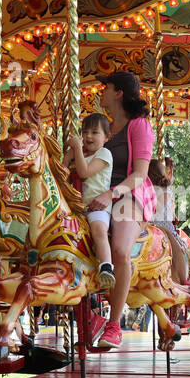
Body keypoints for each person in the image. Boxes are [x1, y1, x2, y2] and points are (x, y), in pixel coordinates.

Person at [86, 71, 156, 350]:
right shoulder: (105, 127)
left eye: (106, 87)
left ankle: (114, 325)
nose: (101, 92)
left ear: (118, 93)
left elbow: (140, 174)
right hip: (97, 195)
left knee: (119, 251)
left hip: (129, 194)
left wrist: (110, 193)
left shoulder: (138, 126)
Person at [64, 113, 116, 290]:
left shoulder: (104, 153)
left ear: (107, 137)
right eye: (85, 132)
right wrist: (69, 155)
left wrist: (77, 150)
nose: (88, 136)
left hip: (97, 207)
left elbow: (84, 172)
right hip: (77, 208)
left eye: (95, 132)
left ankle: (106, 267)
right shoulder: (80, 155)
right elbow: (62, 173)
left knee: (99, 230)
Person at [147, 158, 188, 286]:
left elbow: (157, 208)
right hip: (150, 224)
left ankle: (182, 276)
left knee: (174, 243)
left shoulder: (165, 190)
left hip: (161, 224)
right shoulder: (149, 188)